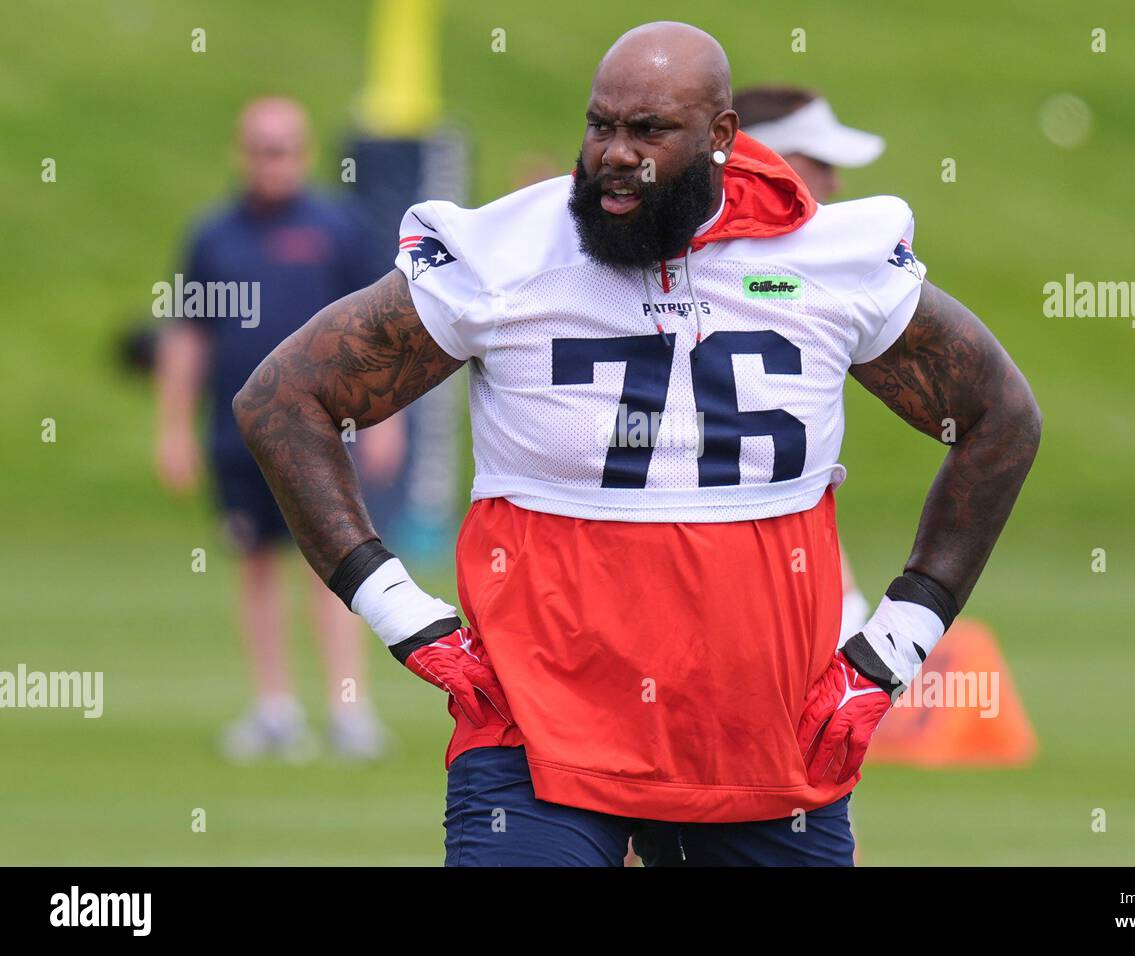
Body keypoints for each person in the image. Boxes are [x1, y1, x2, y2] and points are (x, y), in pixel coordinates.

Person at [233, 23, 1041, 865]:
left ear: (722, 137)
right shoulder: (507, 256)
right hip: (538, 740)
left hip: (761, 743)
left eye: (648, 131)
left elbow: (1000, 418)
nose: (615, 154)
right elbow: (284, 399)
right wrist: (401, 613)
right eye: (600, 125)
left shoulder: (826, 257)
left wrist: (899, 640)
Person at [156, 97, 395, 761]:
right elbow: (189, 336)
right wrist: (173, 427)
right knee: (256, 564)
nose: (272, 161)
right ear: (242, 152)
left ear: (305, 152)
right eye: (260, 148)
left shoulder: (338, 229)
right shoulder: (213, 235)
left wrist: (385, 421)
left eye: (284, 147)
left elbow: (381, 332)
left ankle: (350, 709)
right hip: (240, 434)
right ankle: (274, 708)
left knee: (336, 566)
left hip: (324, 426)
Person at [734, 86, 889, 643]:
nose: (836, 183)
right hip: (775, 591)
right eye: (821, 163)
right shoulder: (820, 277)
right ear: (774, 161)